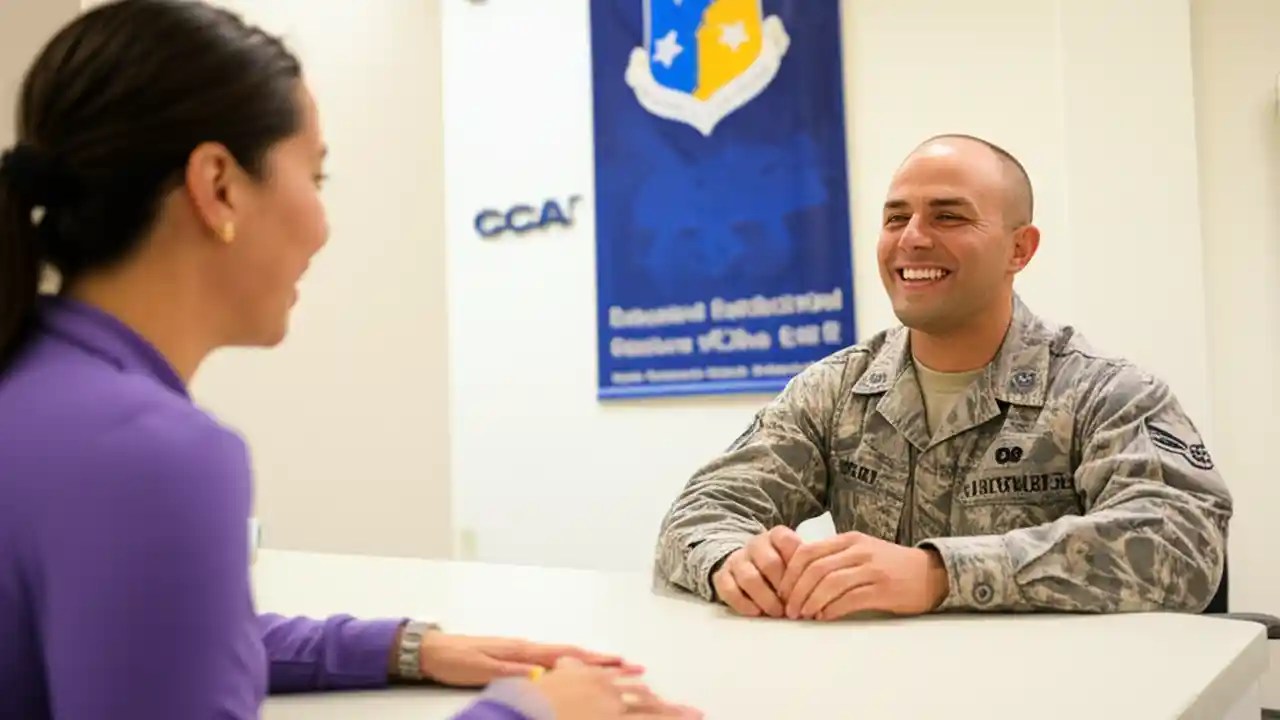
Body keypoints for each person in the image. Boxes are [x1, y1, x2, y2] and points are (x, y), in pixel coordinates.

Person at [0, 2, 698, 719]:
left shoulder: (36, 396)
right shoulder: (151, 457)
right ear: (218, 186)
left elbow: (151, 642)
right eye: (318, 176)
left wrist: (406, 648)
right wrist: (532, 713)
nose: (324, 226)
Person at [653, 133, 1232, 622]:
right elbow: (700, 513)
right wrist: (734, 562)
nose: (912, 238)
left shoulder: (1105, 394)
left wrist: (939, 574)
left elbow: (1181, 544)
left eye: (948, 216)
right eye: (896, 217)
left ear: (1019, 249)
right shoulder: (835, 391)